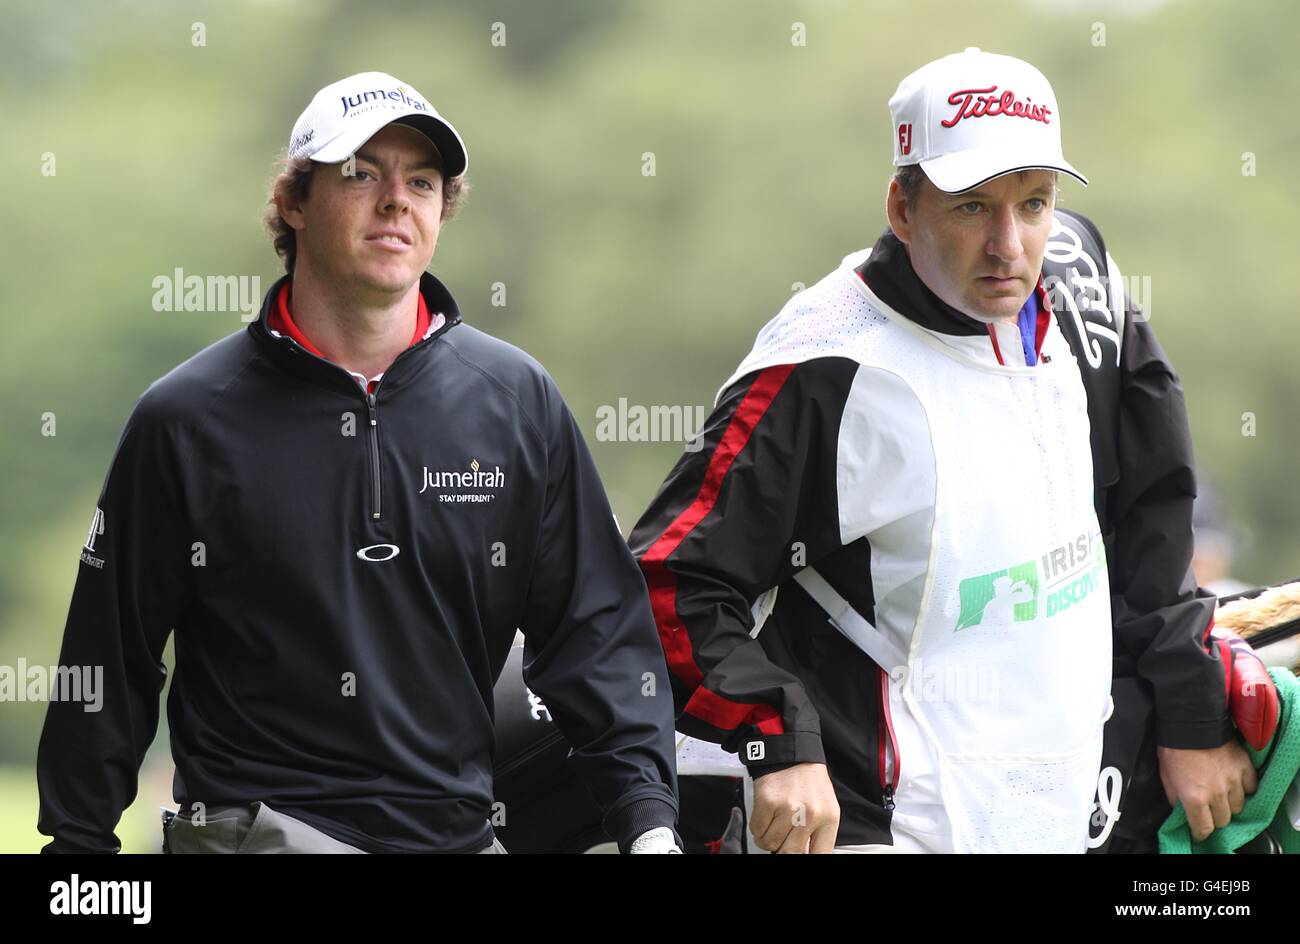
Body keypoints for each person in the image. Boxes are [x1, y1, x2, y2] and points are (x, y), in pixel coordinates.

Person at [628, 48, 1258, 853]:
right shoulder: (824, 367)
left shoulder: (1079, 277)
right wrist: (774, 738)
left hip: (1057, 813)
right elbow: (666, 578)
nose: (1009, 245)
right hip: (881, 821)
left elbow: (1152, 511)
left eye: (1034, 203)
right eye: (971, 209)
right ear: (902, 205)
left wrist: (1191, 713)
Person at [36, 71, 681, 854]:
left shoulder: (517, 402)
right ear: (294, 203)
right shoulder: (188, 419)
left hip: (459, 837)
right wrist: (77, 854)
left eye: (421, 181)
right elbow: (110, 664)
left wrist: (649, 826)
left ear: (442, 209)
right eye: (360, 174)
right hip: (259, 833)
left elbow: (600, 633)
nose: (395, 200)